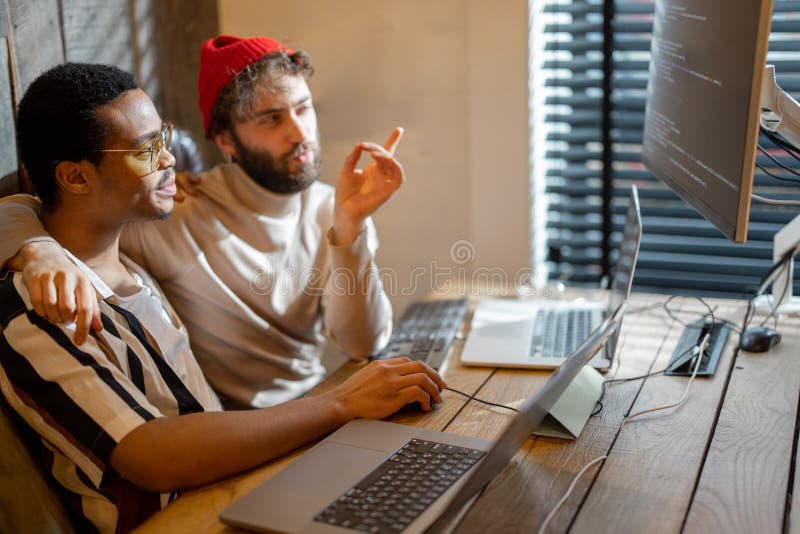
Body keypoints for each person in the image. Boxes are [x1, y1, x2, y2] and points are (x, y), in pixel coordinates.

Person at [0, 62, 443, 533]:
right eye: (147, 149)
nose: (170, 159)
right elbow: (150, 457)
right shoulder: (47, 300)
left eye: (164, 138)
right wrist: (339, 404)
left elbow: (362, 341)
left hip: (244, 480)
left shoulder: (131, 260)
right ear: (76, 177)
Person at [0, 35, 401, 408]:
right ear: (225, 140)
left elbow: (362, 346)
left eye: (303, 108)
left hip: (321, 404)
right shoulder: (176, 211)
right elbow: (47, 207)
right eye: (272, 119)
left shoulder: (333, 207)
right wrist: (39, 251)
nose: (300, 133)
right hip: (238, 435)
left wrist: (350, 227)